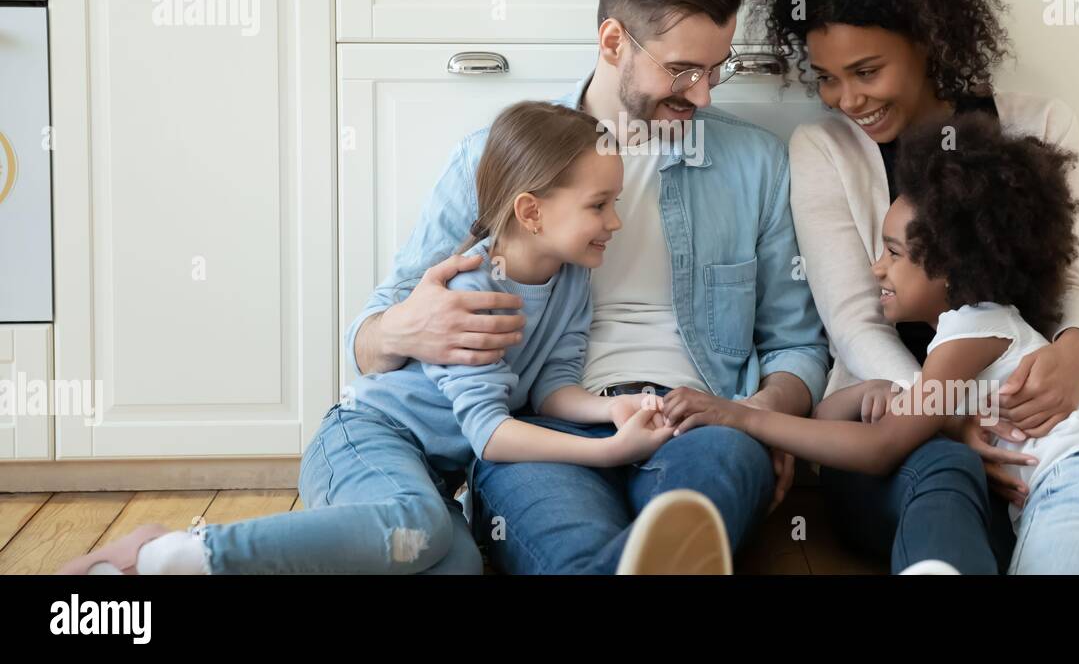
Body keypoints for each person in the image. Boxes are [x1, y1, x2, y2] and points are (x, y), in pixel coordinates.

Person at [348, 0, 829, 574]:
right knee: (578, 554)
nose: (704, 95)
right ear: (612, 41)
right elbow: (368, 346)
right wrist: (406, 325)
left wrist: (760, 419)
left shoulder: (754, 163)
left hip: (697, 418)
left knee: (701, 500)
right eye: (682, 68)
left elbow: (795, 342)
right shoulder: (500, 156)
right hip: (540, 429)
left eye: (715, 70)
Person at [60, 101, 678, 575]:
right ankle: (177, 555)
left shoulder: (570, 280)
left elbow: (550, 388)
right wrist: (606, 450)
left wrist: (609, 408)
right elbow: (490, 434)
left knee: (458, 564)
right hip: (365, 440)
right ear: (531, 212)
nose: (616, 222)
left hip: (427, 475)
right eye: (600, 205)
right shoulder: (476, 292)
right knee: (418, 526)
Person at [664, 114, 1079, 575]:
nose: (875, 266)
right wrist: (872, 392)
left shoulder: (970, 333)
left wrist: (740, 417)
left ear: (953, 268)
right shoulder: (979, 336)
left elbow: (880, 448)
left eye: (894, 253)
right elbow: (836, 415)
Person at [750, 0, 1079, 573]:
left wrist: (1075, 352)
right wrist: (946, 419)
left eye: (867, 71)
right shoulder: (823, 150)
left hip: (1024, 420)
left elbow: (1070, 279)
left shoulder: (1039, 125)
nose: (847, 99)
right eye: (827, 78)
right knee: (944, 470)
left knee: (1064, 493)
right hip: (892, 421)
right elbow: (854, 321)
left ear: (929, 43)